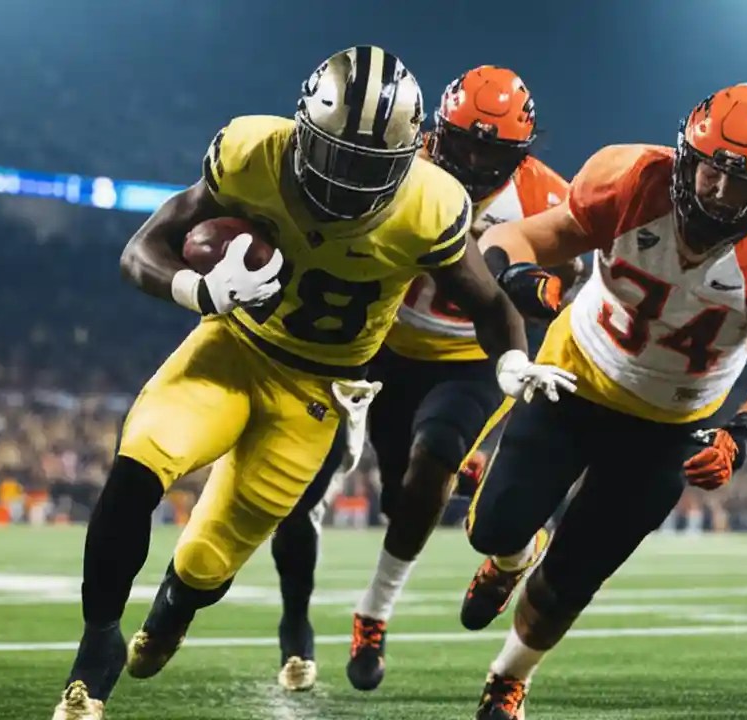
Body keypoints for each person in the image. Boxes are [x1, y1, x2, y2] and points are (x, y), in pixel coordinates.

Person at [50, 45, 576, 720]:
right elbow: (141, 249)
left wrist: (506, 362)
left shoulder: (428, 202)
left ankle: (176, 604)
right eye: (337, 155)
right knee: (139, 464)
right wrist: (198, 288)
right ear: (302, 131)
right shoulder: (252, 153)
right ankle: (95, 650)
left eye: (372, 166)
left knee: (209, 562)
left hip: (315, 392)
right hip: (234, 349)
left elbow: (491, 304)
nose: (352, 179)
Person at [463, 84, 747, 719]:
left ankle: (508, 679)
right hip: (576, 378)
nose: (719, 189)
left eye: (740, 182)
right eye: (713, 167)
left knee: (571, 582)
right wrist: (524, 280)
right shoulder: (632, 181)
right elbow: (508, 243)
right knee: (493, 526)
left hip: (671, 423)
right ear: (687, 152)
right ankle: (512, 555)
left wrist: (740, 436)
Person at [268, 65, 579, 693]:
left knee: (430, 460)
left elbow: (567, 270)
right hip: (378, 342)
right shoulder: (400, 168)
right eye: (463, 141)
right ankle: (486, 511)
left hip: (472, 354)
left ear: (520, 152)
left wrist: (537, 283)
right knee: (402, 492)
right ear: (438, 130)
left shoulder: (544, 198)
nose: (473, 158)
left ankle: (373, 614)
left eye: (491, 149)